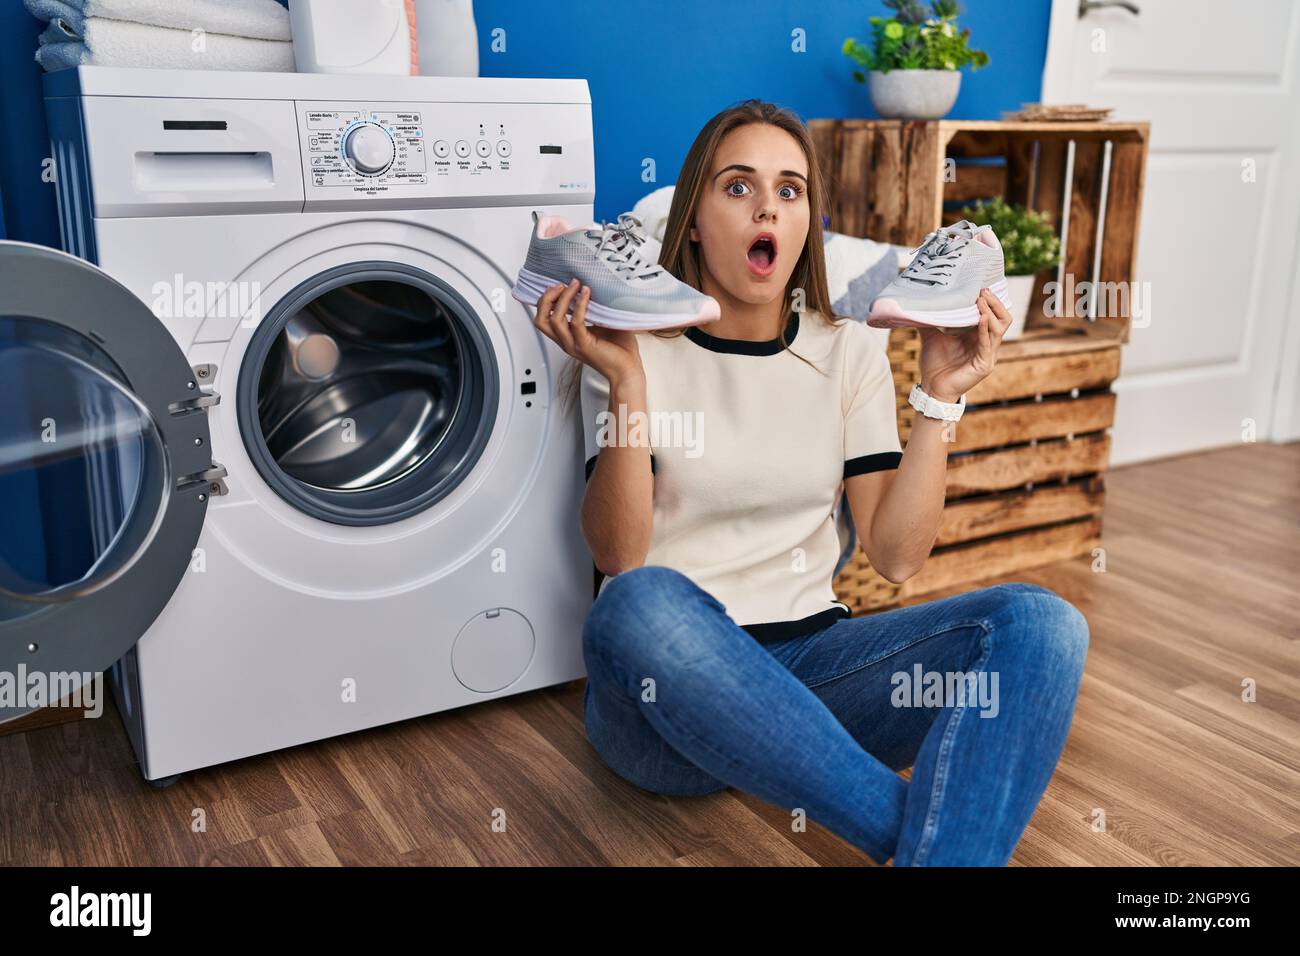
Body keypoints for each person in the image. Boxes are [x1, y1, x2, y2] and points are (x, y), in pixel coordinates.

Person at [530, 99, 1089, 866]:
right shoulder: (633, 344)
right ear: (691, 220)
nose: (768, 205)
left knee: (1044, 623)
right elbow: (621, 553)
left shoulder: (847, 350)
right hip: (663, 707)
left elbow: (894, 558)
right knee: (638, 601)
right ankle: (921, 844)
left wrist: (939, 397)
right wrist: (625, 382)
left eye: (790, 191)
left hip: (817, 677)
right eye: (738, 186)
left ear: (805, 225)